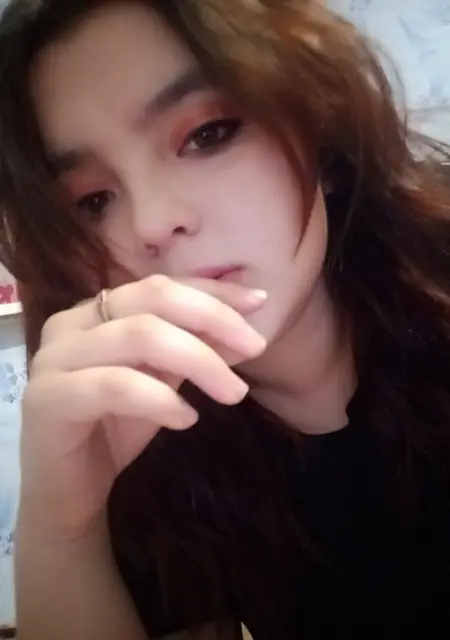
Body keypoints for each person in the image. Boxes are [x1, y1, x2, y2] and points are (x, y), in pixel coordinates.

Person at [1, 0, 450, 638]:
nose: (152, 223)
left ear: (320, 137)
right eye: (93, 201)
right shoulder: (141, 446)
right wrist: (62, 529)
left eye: (208, 134)